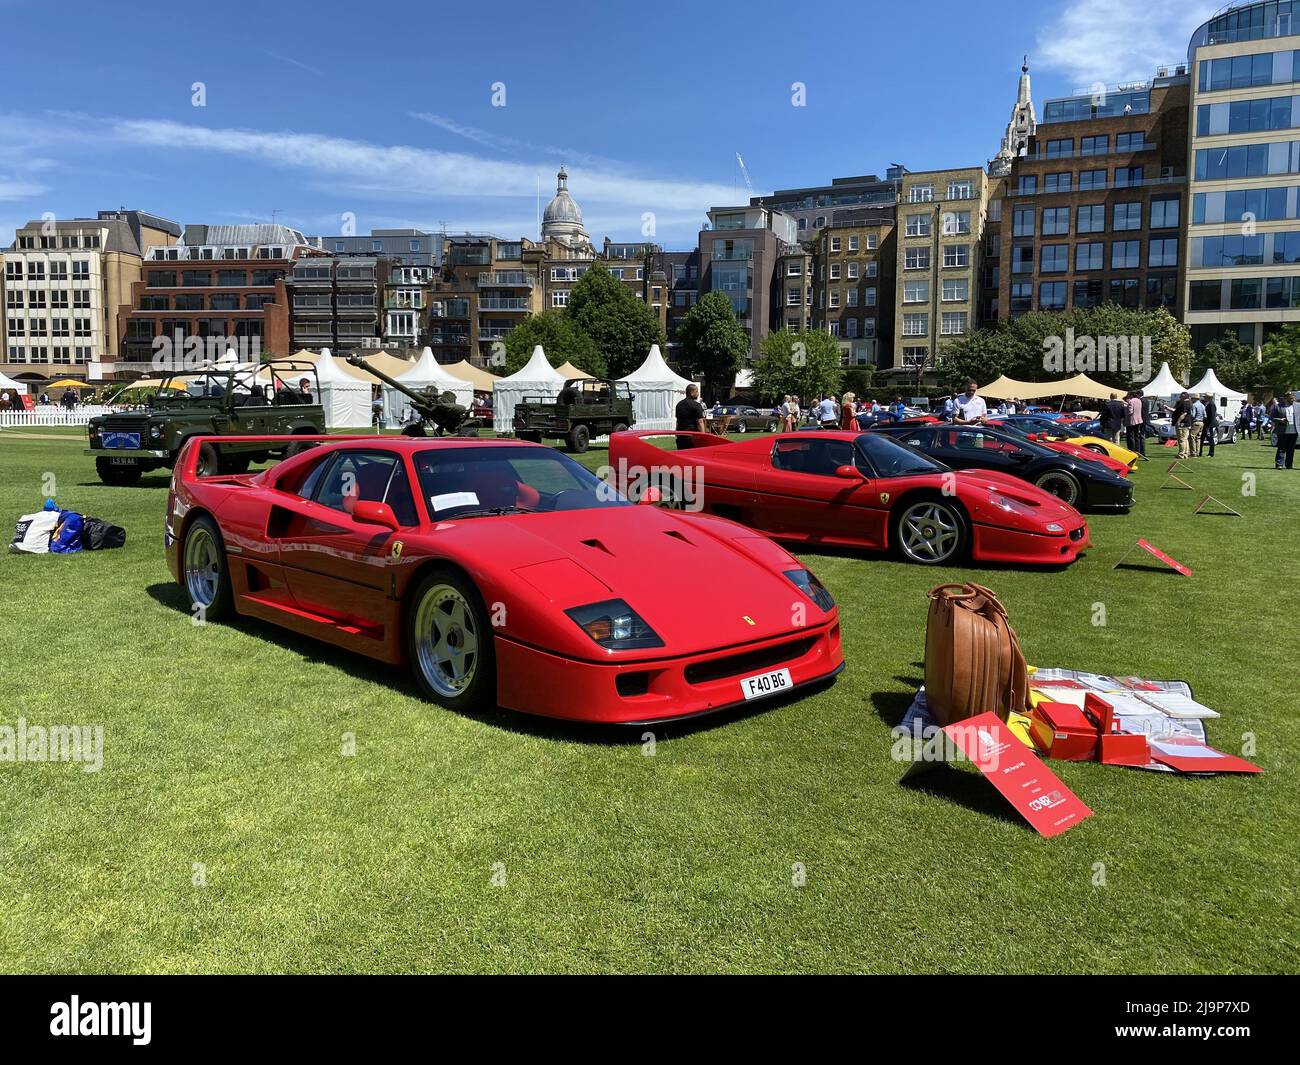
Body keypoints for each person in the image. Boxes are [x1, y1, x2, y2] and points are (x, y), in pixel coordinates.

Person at [675, 382, 706, 448]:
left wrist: (677, 434)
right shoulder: (696, 405)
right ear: (692, 392)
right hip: (692, 436)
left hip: (681, 436)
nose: (698, 393)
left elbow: (678, 421)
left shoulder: (679, 405)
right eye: (697, 391)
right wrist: (704, 436)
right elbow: (700, 422)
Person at [1275, 391, 1299, 469]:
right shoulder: (1278, 406)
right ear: (1286, 398)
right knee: (1281, 447)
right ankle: (1279, 464)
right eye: (1291, 398)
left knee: (1291, 449)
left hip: (1294, 431)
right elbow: (1271, 417)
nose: (1293, 399)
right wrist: (1280, 419)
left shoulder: (1298, 406)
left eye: (1293, 398)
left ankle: (1289, 465)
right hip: (1283, 430)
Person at [1173, 392, 1194, 459]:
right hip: (1187, 423)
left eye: (1181, 396)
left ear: (1185, 397)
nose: (1180, 397)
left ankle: (1181, 454)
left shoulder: (1185, 403)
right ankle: (1185, 453)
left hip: (1183, 423)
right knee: (1185, 439)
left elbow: (1184, 414)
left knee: (1181, 439)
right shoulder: (1190, 403)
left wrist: (1178, 422)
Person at [1200, 393, 1219, 458]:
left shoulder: (1211, 404)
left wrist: (1208, 426)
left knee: (1210, 438)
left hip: (1210, 425)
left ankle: (1211, 453)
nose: (1204, 398)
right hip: (1206, 424)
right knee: (1202, 438)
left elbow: (1211, 416)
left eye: (1205, 397)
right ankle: (1200, 452)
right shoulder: (1207, 403)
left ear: (1209, 397)